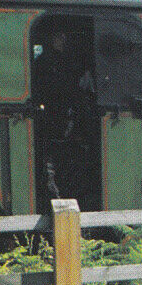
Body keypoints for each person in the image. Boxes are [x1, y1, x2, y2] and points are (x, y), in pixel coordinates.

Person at [32, 29, 93, 203]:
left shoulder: (70, 62)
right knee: (52, 162)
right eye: (58, 37)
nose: (61, 41)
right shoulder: (44, 64)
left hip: (69, 118)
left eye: (63, 38)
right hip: (54, 116)